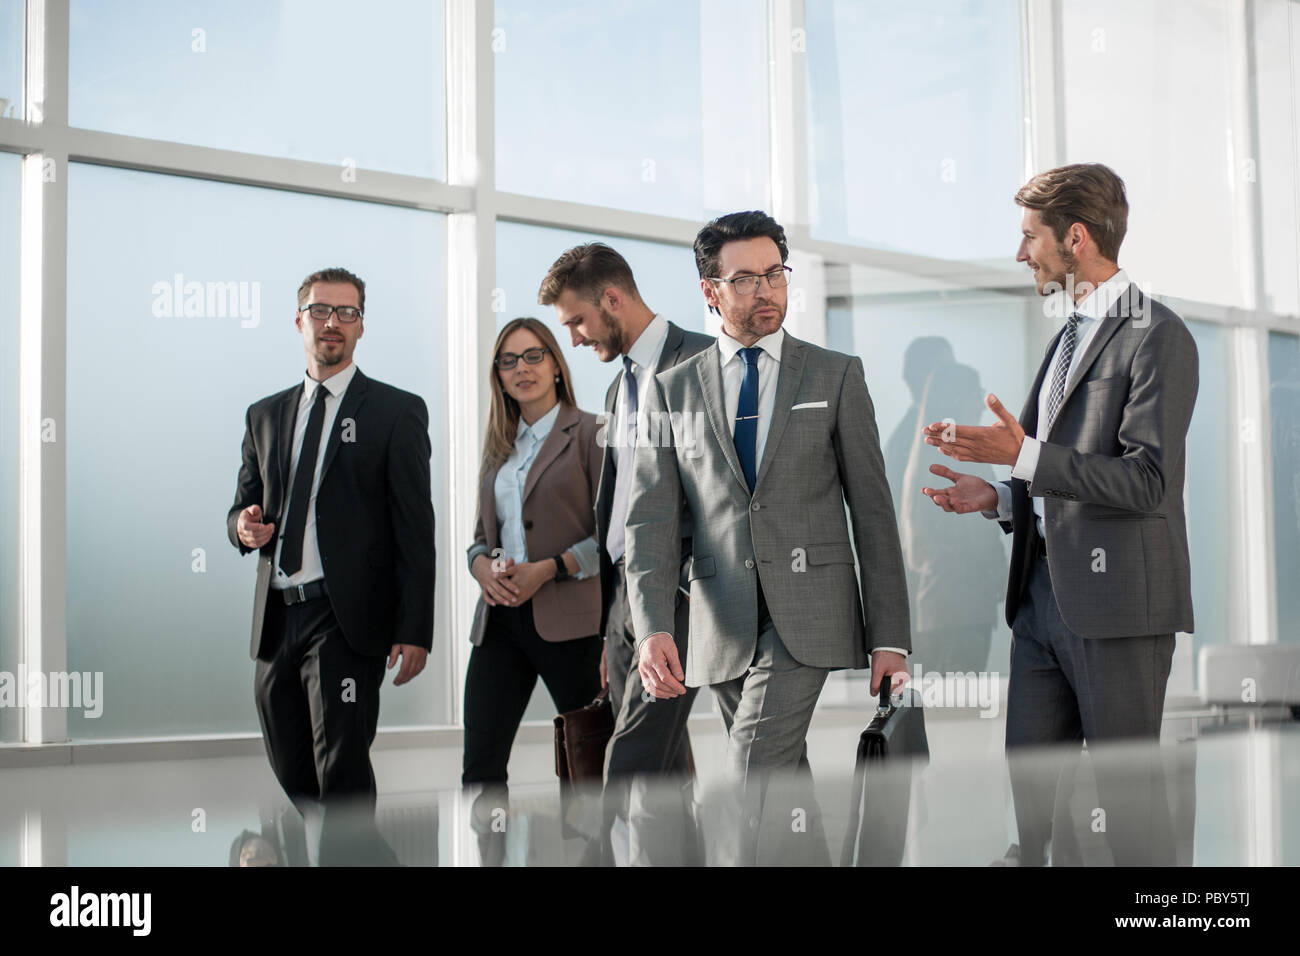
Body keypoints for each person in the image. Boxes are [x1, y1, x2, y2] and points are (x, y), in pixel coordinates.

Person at [919, 163, 1198, 866]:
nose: (1020, 255)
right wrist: (1002, 495)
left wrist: (1027, 458)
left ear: (1076, 238)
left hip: (1118, 610)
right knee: (1036, 808)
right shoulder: (1067, 335)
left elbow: (1147, 480)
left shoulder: (1156, 336)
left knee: (1129, 819)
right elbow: (1051, 472)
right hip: (1039, 603)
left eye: (1029, 237)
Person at [624, 210, 911, 864]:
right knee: (784, 787)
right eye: (746, 279)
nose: (767, 291)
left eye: (776, 274)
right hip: (720, 620)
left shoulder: (835, 375)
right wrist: (651, 629)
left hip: (810, 612)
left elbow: (872, 511)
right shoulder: (672, 391)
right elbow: (650, 521)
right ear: (709, 290)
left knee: (750, 771)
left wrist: (890, 636)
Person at [227, 267, 435, 866]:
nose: (333, 323)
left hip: (346, 619)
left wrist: (414, 627)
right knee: (292, 767)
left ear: (362, 325)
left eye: (348, 312)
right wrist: (242, 527)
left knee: (341, 771)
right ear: (299, 322)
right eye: (321, 311)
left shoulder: (396, 412)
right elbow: (242, 505)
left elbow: (415, 531)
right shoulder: (263, 415)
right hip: (277, 615)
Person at [540, 242, 713, 866]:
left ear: (612, 299)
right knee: (659, 767)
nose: (577, 338)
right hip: (623, 599)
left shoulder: (703, 362)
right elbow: (617, 512)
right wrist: (614, 623)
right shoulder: (619, 391)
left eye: (578, 321)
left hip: (684, 592)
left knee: (630, 756)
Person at [462, 317, 603, 856]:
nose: (521, 368)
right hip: (500, 622)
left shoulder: (591, 432)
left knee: (588, 768)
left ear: (556, 367)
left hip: (571, 621)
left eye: (533, 356)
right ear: (498, 377)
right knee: (480, 769)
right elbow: (481, 539)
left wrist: (551, 567)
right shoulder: (499, 446)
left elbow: (611, 537)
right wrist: (481, 567)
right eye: (508, 361)